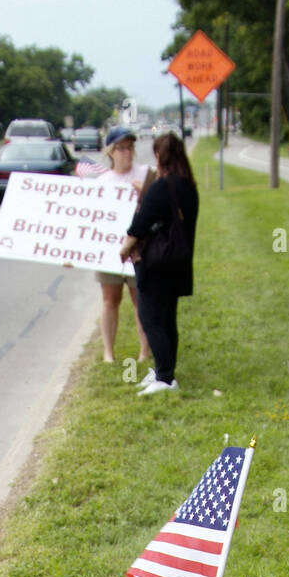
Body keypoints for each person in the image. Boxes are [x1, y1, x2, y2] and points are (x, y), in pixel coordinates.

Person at [119, 132, 198, 396]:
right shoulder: (188, 185)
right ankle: (164, 370)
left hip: (156, 264)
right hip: (178, 262)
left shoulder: (161, 186)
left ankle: (164, 378)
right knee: (167, 319)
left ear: (159, 156)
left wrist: (124, 249)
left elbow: (139, 225)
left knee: (150, 318)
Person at [95, 126, 151, 364]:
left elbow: (158, 206)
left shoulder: (146, 174)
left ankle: (144, 352)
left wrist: (145, 192)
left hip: (139, 249)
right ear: (111, 152)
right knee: (110, 300)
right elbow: (89, 219)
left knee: (141, 301)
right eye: (121, 148)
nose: (126, 152)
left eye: (130, 147)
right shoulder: (103, 181)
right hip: (110, 250)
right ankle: (109, 352)